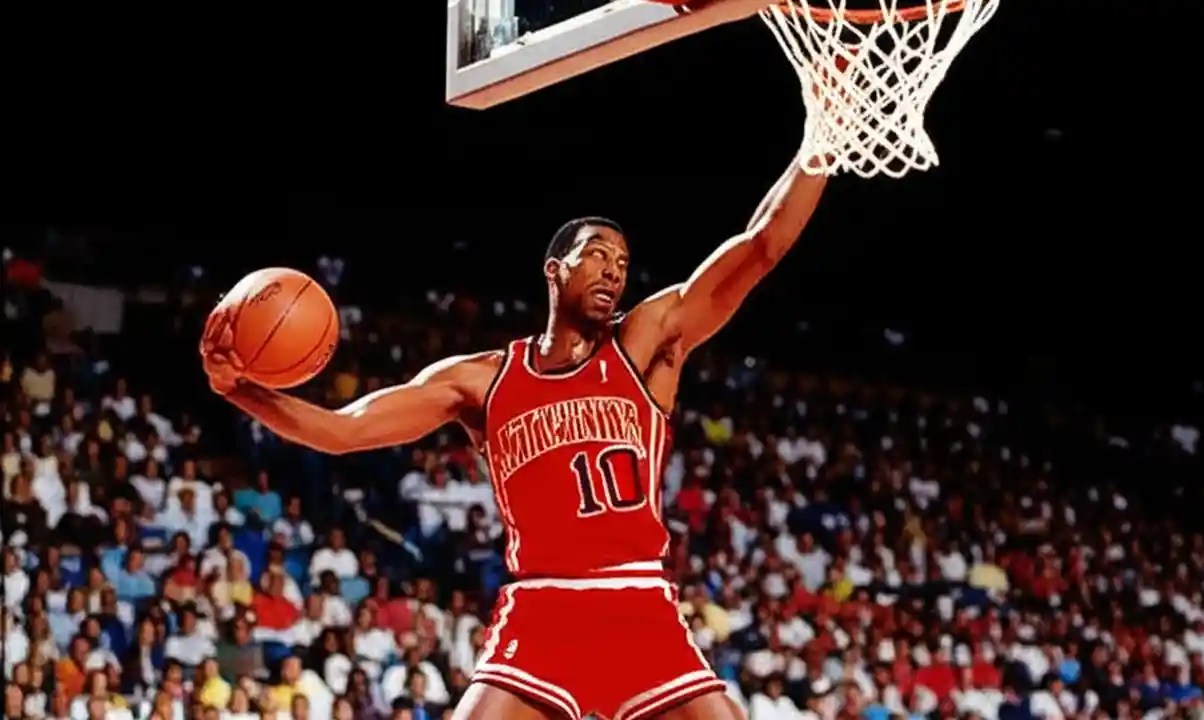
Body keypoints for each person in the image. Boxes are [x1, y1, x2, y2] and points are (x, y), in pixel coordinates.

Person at [200, 152, 827, 719]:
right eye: (597, 255)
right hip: (545, 607)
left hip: (639, 599)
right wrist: (240, 390)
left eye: (622, 263)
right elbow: (344, 431)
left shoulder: (645, 344)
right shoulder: (482, 381)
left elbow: (761, 246)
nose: (613, 271)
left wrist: (821, 142)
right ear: (555, 270)